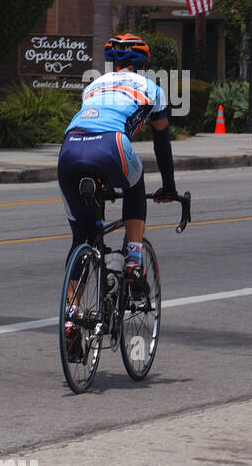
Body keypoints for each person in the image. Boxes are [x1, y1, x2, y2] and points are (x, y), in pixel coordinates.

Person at [58, 33, 178, 357]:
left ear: (113, 62)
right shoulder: (152, 89)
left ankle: (71, 318)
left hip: (69, 150)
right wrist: (169, 186)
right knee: (135, 183)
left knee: (82, 239)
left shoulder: (92, 86)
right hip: (111, 146)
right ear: (143, 63)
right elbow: (161, 143)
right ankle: (134, 258)